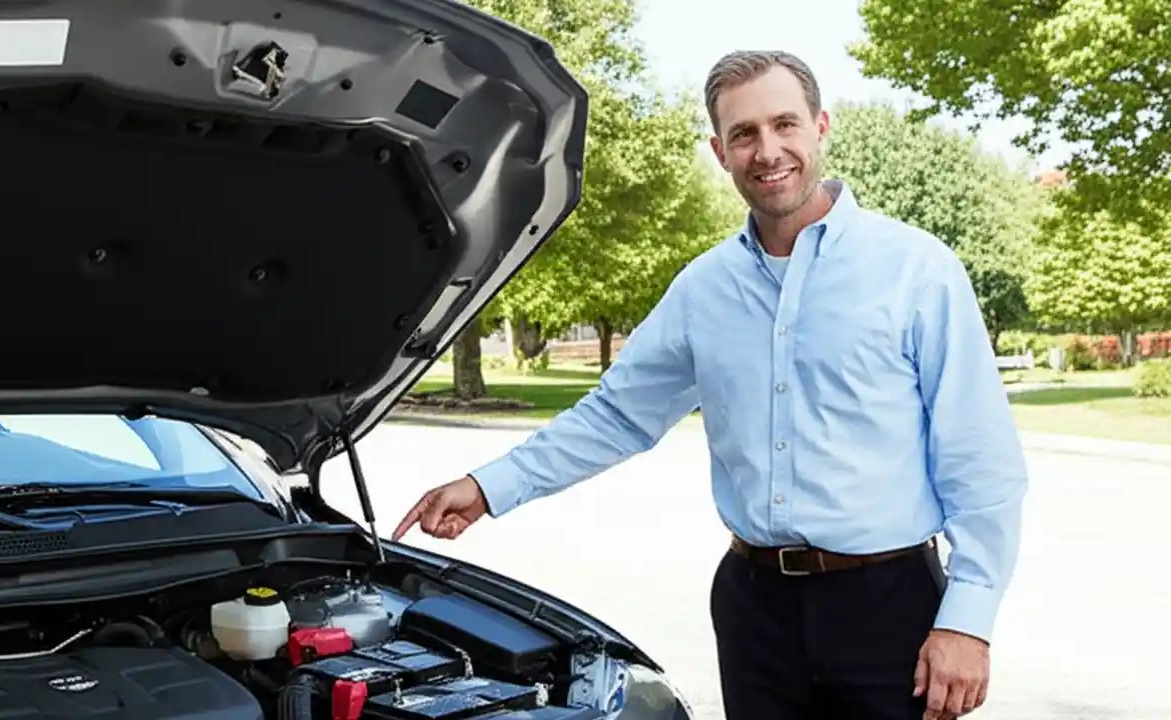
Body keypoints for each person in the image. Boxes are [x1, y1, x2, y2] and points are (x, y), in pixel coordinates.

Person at [392, 50, 1027, 720]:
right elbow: (617, 415)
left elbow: (979, 458)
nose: (768, 150)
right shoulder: (704, 288)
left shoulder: (916, 270)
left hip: (889, 606)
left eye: (785, 124)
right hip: (755, 609)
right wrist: (490, 486)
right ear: (719, 151)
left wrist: (967, 619)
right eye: (745, 134)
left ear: (821, 126)